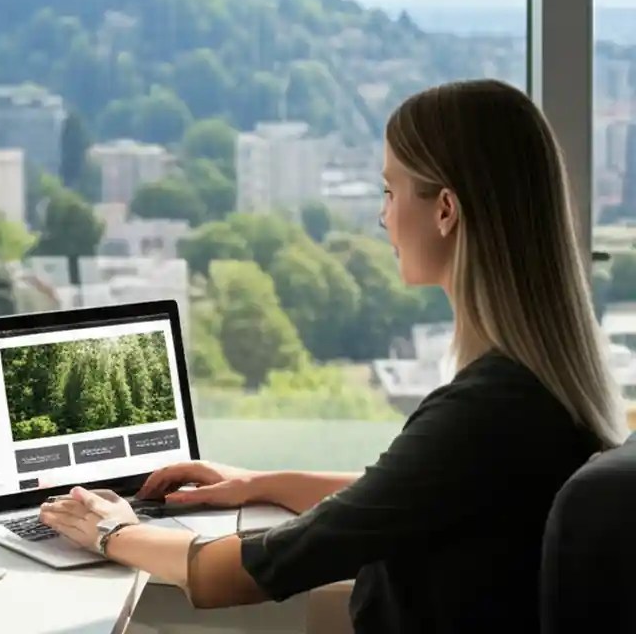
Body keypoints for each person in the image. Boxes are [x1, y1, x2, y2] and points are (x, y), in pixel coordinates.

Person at [39, 79, 628, 633]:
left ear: (445, 209)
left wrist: (111, 531)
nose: (382, 216)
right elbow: (399, 496)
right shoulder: (539, 388)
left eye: (390, 191)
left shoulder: (485, 412)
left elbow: (251, 570)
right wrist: (255, 483)